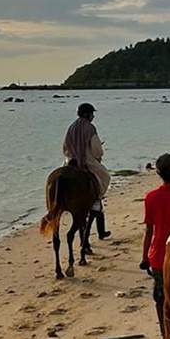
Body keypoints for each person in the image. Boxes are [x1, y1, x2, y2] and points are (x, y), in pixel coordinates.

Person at [140, 153, 170, 335]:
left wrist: (144, 256)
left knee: (161, 299)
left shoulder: (151, 197)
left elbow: (149, 231)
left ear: (158, 173)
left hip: (158, 255)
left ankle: (165, 334)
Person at [63, 102, 111, 238]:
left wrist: (70, 156)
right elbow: (96, 149)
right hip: (86, 160)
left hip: (70, 159)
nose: (93, 116)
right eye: (92, 114)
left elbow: (65, 147)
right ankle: (97, 198)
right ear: (86, 114)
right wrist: (98, 156)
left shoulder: (71, 127)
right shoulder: (90, 128)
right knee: (105, 176)